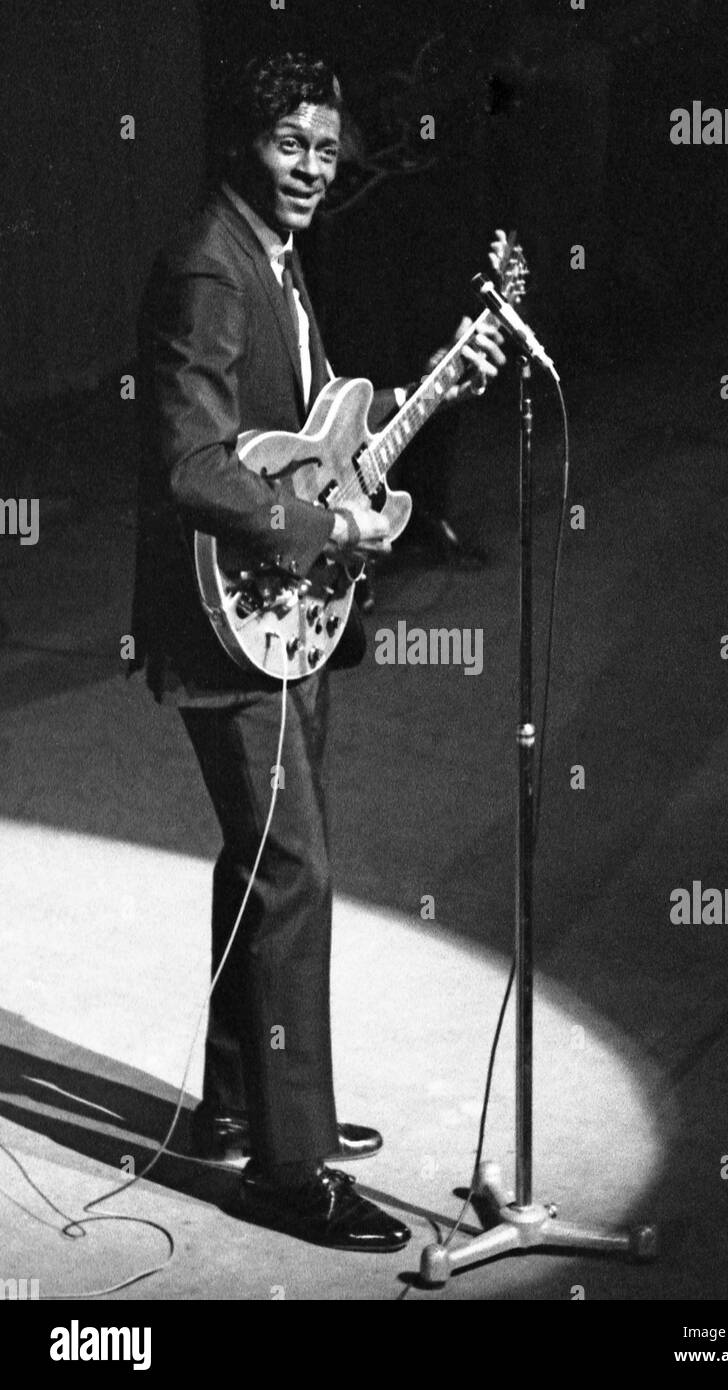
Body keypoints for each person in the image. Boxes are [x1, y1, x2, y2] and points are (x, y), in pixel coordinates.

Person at [130, 49, 505, 1253]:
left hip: (286, 610)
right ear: (249, 141)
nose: (310, 167)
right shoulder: (208, 262)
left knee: (261, 859)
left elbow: (306, 428)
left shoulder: (276, 255)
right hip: (229, 618)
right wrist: (323, 524)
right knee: (295, 869)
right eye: (290, 143)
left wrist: (433, 393)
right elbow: (191, 463)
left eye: (323, 148)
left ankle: (246, 1102)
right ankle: (286, 1170)